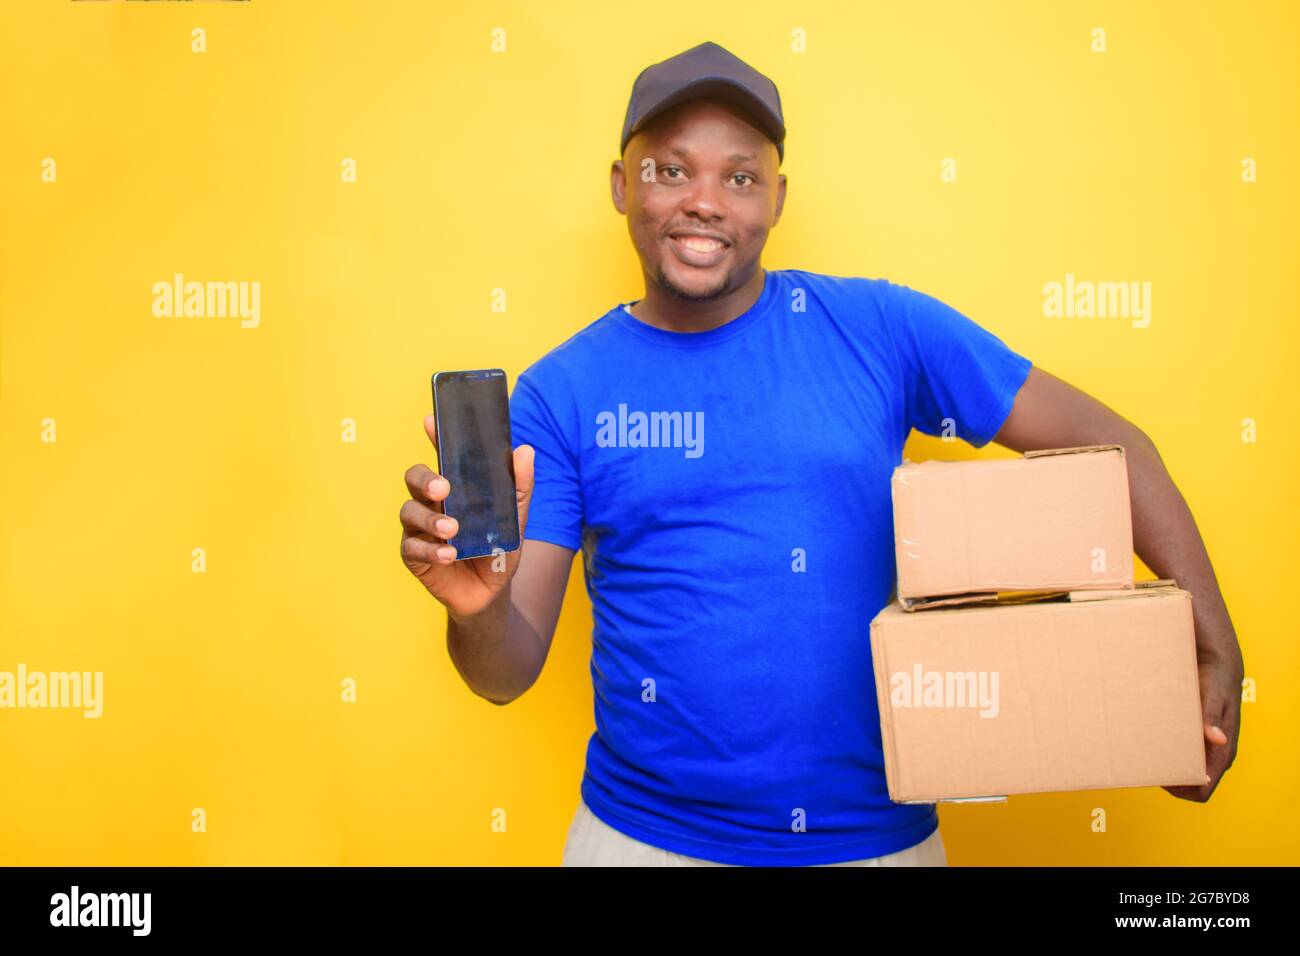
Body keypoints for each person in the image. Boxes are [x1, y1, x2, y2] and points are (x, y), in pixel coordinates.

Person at [400, 41, 1242, 867]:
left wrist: (1211, 649)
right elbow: (505, 673)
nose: (705, 200)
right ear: (623, 187)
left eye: (740, 176)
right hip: (641, 844)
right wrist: (476, 612)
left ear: (776, 197)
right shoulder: (560, 394)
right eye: (670, 169)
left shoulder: (883, 329)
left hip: (876, 845)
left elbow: (1119, 448)